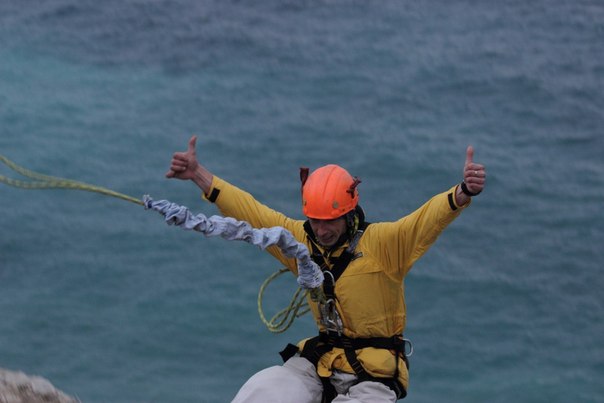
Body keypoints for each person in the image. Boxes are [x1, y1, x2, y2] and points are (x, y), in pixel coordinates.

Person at [166, 136, 486, 403]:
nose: (321, 230)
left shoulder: (384, 244)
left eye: (329, 221)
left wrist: (463, 191)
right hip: (321, 362)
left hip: (375, 374)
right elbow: (250, 212)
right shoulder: (299, 242)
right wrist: (198, 174)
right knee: (262, 391)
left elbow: (427, 219)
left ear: (349, 214)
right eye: (315, 220)